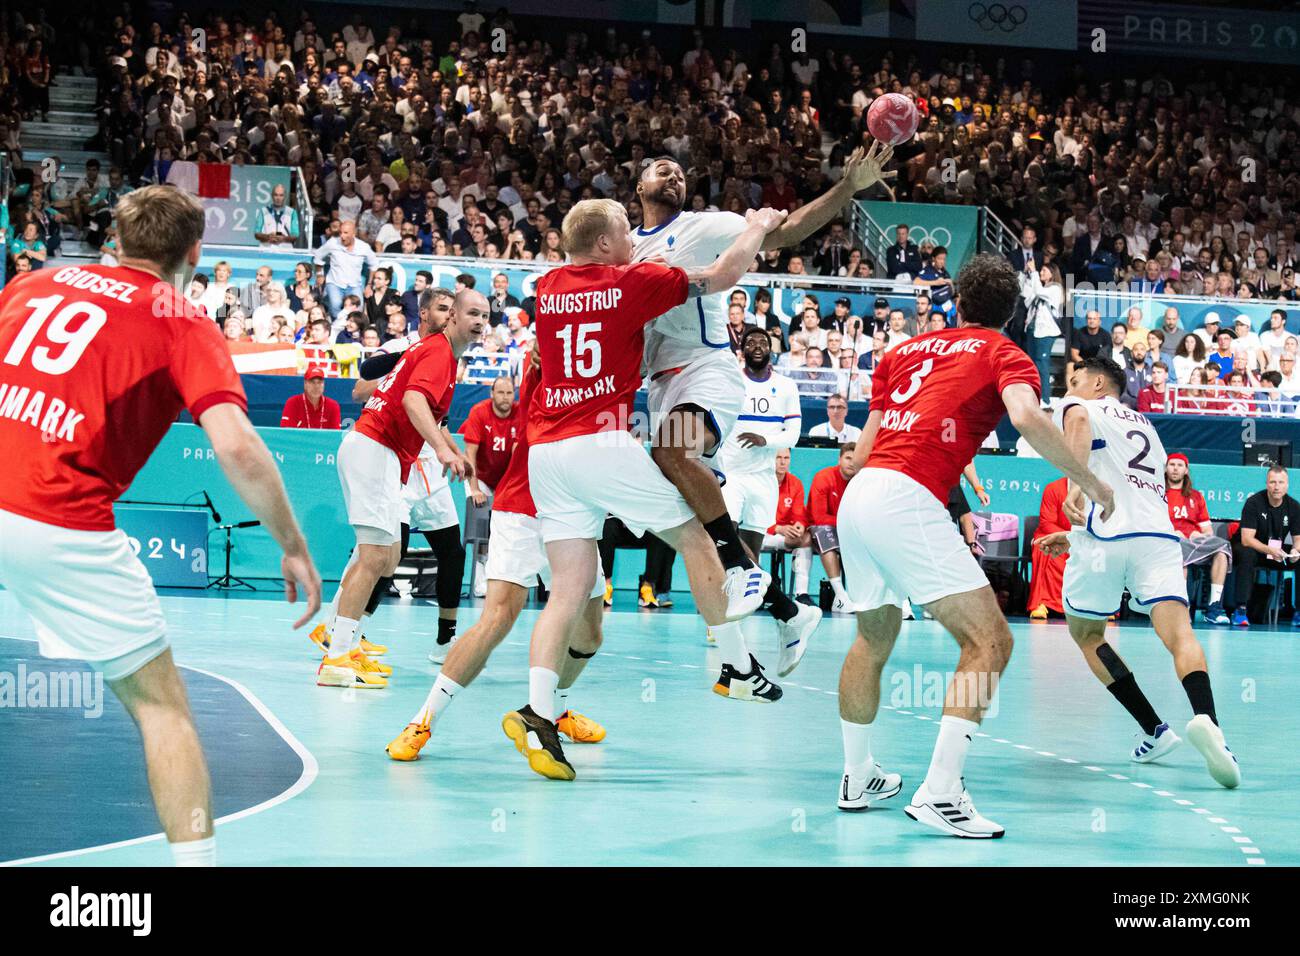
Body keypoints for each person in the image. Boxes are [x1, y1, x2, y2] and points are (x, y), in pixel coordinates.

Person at [0, 185, 321, 867]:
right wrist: (292, 544)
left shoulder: (33, 284)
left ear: (116, 237)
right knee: (162, 708)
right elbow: (235, 444)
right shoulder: (181, 319)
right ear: (196, 252)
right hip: (59, 518)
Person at [505, 198, 788, 782]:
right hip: (599, 443)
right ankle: (736, 666)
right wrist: (757, 226)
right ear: (606, 245)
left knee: (568, 592)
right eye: (624, 236)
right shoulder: (628, 280)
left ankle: (538, 710)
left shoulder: (550, 286)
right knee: (696, 536)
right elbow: (722, 278)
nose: (635, 243)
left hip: (546, 455)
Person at [835, 254, 1114, 837]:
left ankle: (857, 774)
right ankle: (940, 791)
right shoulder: (1004, 353)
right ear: (1012, 313)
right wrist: (1089, 481)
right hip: (906, 496)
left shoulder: (904, 351)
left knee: (872, 636)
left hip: (859, 495)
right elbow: (1028, 419)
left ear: (956, 302)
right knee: (990, 641)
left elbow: (859, 454)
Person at [631, 145, 895, 648]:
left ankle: (738, 565)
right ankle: (786, 611)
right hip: (660, 386)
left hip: (706, 372)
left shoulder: (704, 227)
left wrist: (846, 188)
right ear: (639, 187)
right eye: (662, 170)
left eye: (681, 173)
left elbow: (787, 230)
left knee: (670, 450)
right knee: (687, 523)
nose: (674, 176)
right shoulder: (625, 245)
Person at [387, 351, 609, 762]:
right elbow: (542, 350)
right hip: (523, 510)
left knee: (591, 632)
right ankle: (422, 721)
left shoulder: (613, 391)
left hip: (577, 518)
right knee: (498, 618)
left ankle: (555, 711)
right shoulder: (550, 373)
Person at [1034, 358, 1240, 789]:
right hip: (1159, 540)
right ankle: (1211, 724)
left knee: (1088, 635)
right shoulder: (1148, 428)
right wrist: (1073, 539)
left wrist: (1077, 484)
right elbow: (1135, 502)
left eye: (1075, 382)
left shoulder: (1081, 406)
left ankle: (1155, 730)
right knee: (1181, 636)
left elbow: (1075, 427)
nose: (1069, 390)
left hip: (1102, 540)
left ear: (1096, 383)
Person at [316, 287, 485, 688]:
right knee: (375, 557)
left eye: (485, 315)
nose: (479, 321)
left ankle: (345, 640)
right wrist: (445, 453)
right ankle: (337, 655)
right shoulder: (438, 352)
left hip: (387, 456)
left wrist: (449, 450)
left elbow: (423, 409)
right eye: (470, 313)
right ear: (450, 318)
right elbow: (412, 401)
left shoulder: (436, 353)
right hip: (375, 448)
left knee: (387, 557)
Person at [718, 325, 822, 675]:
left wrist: (763, 438)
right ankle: (786, 613)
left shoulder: (786, 387)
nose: (757, 346)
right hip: (731, 476)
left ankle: (786, 616)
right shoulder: (731, 380)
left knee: (745, 557)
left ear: (773, 349)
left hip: (763, 481)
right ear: (742, 349)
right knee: (725, 544)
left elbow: (792, 433)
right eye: (751, 341)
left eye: (763, 341)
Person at [460, 375, 521, 594]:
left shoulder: (520, 413)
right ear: (492, 394)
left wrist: (508, 489)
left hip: (507, 478)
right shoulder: (479, 412)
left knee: (509, 525)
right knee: (481, 522)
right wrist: (475, 488)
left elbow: (518, 457)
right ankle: (479, 582)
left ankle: (508, 578)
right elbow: (470, 455)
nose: (505, 398)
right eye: (501, 393)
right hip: (482, 476)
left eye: (509, 393)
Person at [1226, 463, 1300, 628]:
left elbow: (1298, 538)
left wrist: (1295, 550)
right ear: (1267, 483)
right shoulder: (1254, 502)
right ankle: (1240, 610)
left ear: (1287, 485)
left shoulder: (1294, 506)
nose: (1276, 487)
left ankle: (1298, 612)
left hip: (1274, 549)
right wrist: (1269, 550)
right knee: (1247, 554)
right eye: (1273, 482)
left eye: (1281, 482)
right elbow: (1247, 539)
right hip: (1249, 547)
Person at [1163, 454, 1233, 626]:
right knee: (1180, 550)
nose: (1175, 468)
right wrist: (1172, 531)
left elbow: (1207, 530)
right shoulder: (1159, 493)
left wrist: (1201, 535)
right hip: (1170, 540)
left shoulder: (1195, 496)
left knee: (1222, 549)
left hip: (1194, 541)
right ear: (1166, 468)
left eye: (1180, 465)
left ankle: (1214, 608)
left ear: (1186, 470)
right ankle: (1182, 609)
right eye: (1172, 464)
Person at [808, 444, 860, 613]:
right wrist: (848, 521)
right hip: (820, 528)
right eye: (848, 458)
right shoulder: (823, 477)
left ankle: (863, 596)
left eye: (855, 459)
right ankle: (840, 596)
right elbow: (818, 517)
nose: (851, 463)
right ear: (839, 459)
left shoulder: (861, 482)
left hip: (846, 529)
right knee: (825, 534)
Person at [765, 448, 814, 604]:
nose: (782, 461)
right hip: (761, 534)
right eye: (778, 457)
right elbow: (749, 518)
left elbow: (799, 514)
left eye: (786, 457)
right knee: (750, 538)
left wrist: (799, 525)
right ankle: (758, 593)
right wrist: (778, 528)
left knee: (805, 538)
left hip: (784, 535)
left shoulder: (795, 483)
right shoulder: (760, 482)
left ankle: (801, 594)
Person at [314, 219, 378, 318]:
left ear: (354, 234)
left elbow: (373, 265)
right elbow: (318, 255)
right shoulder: (333, 243)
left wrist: (369, 284)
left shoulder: (363, 247)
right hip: (334, 283)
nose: (342, 236)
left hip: (354, 285)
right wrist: (319, 274)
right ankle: (338, 327)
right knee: (336, 304)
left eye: (346, 233)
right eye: (340, 232)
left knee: (359, 307)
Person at [1027, 477, 1070, 620]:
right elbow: (1046, 522)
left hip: (1082, 538)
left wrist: (1079, 539)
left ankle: (1102, 607)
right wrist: (1068, 538)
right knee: (1043, 547)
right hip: (1055, 534)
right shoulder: (1053, 488)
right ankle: (1041, 603)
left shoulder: (1094, 490)